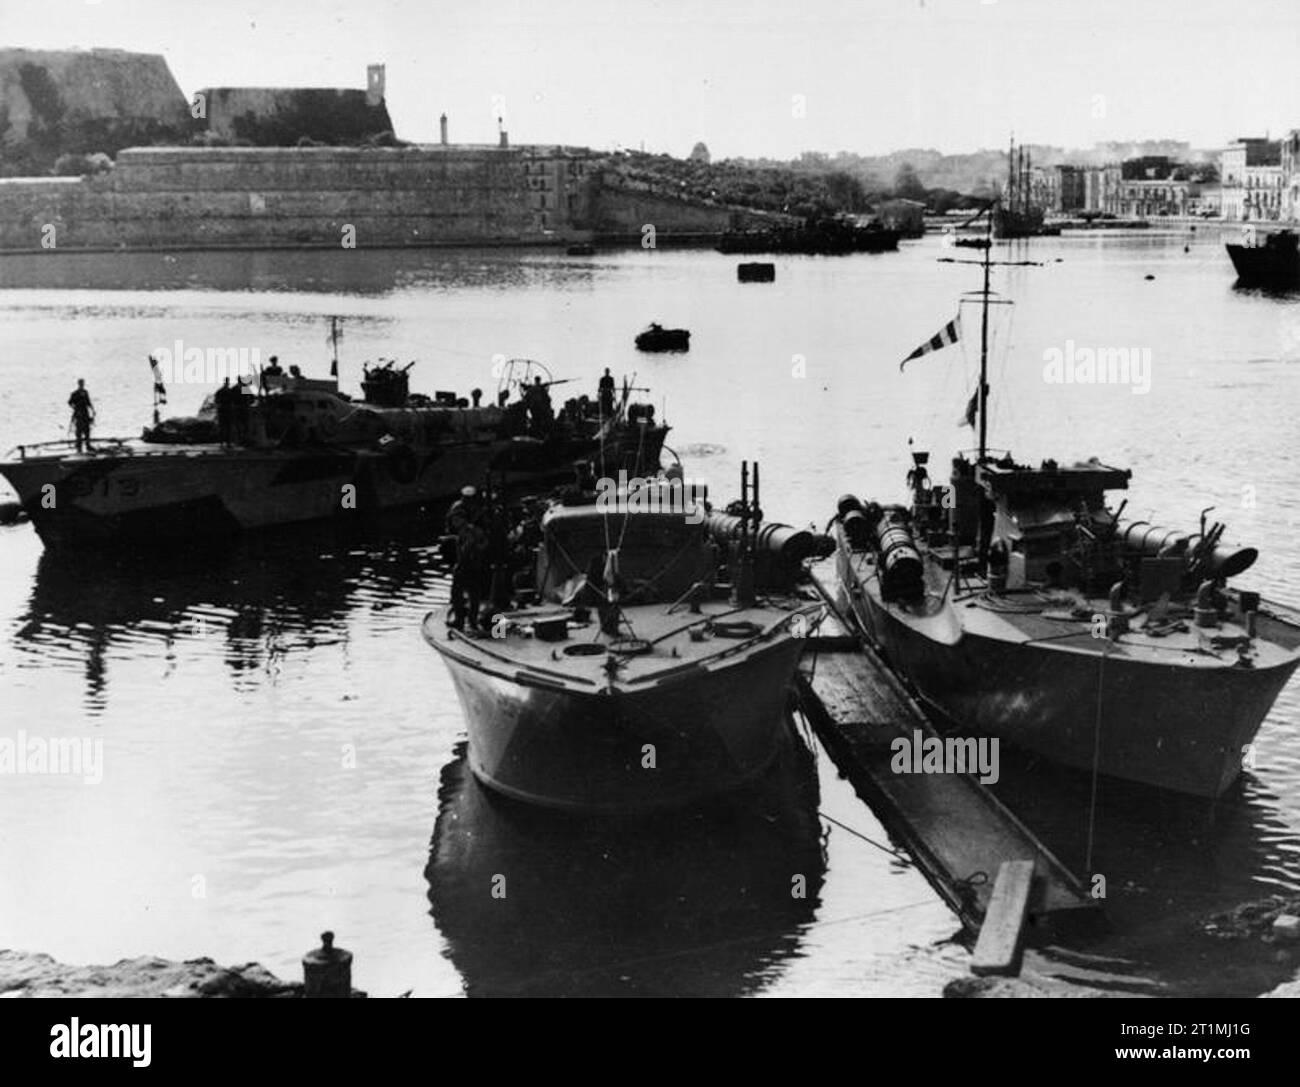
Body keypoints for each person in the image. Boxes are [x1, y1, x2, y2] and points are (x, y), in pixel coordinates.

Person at [446, 486, 487, 631]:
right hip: (475, 561)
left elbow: (468, 546)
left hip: (467, 563)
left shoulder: (468, 529)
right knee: (473, 592)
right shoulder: (474, 519)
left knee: (459, 591)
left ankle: (461, 620)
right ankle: (471, 620)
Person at [68, 379, 95, 453]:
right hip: (79, 414)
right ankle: (79, 447)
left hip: (85, 413)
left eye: (83, 383)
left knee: (87, 430)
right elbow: (70, 402)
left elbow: (88, 402)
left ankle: (88, 445)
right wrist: (75, 409)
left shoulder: (85, 392)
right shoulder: (75, 393)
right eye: (81, 383)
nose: (82, 385)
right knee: (79, 430)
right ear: (78, 384)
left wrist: (93, 410)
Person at [215, 378, 234, 446]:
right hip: (228, 411)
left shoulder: (220, 391)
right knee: (228, 427)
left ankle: (221, 442)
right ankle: (227, 442)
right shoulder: (230, 391)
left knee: (222, 427)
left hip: (222, 411)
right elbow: (233, 401)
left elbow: (216, 401)